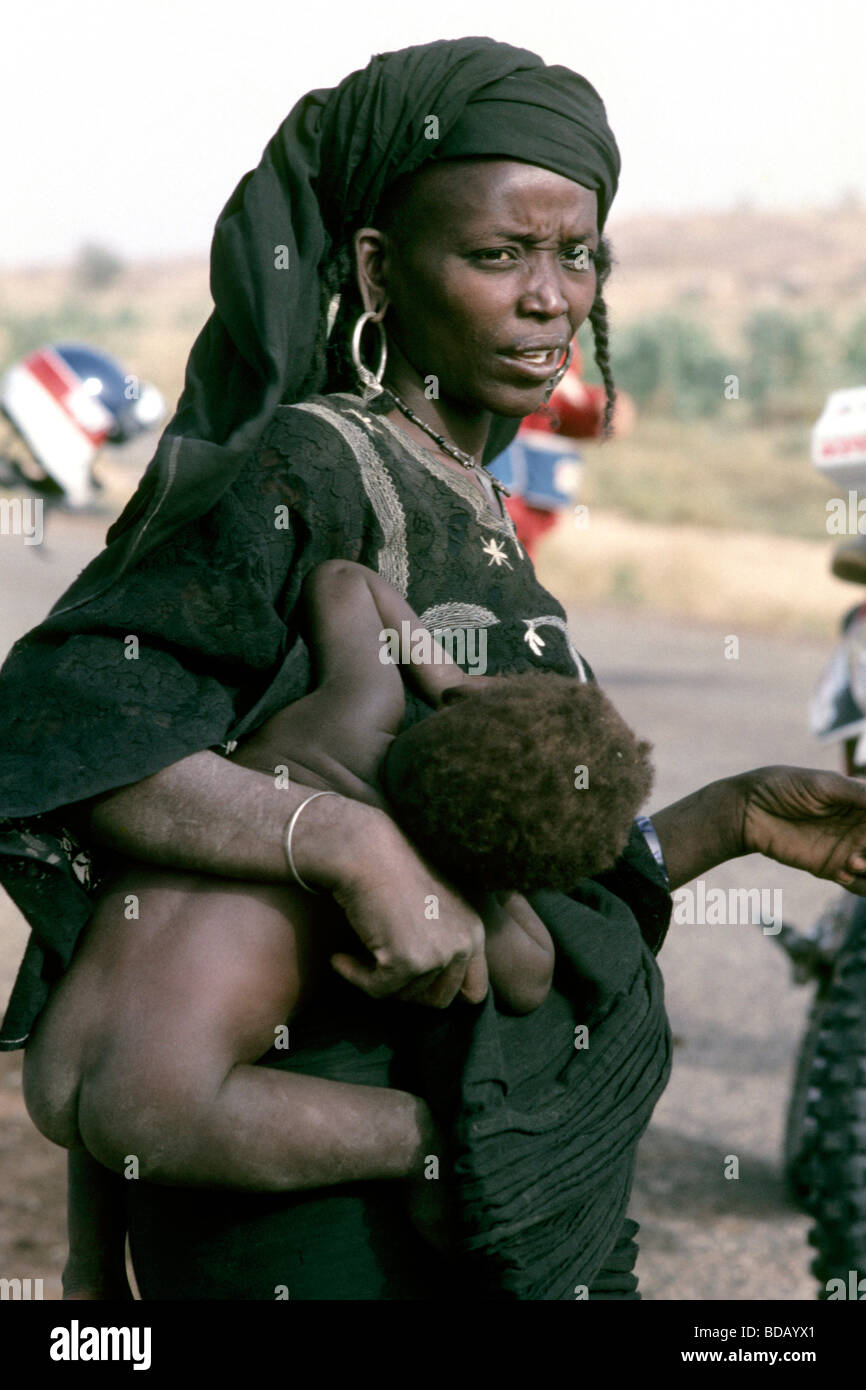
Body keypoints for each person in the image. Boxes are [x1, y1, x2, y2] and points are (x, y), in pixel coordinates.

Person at [4, 36, 866, 1301]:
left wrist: (734, 816)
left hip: (445, 1213)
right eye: (497, 253)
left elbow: (500, 872)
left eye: (576, 254)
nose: (550, 298)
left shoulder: (471, 502)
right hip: (309, 1216)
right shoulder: (313, 466)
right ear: (374, 268)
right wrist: (348, 849)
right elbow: (69, 734)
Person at [26, 555, 654, 1295]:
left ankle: (87, 1267)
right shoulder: (433, 872)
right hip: (173, 1109)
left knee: (141, 1018)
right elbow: (530, 976)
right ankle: (444, 1244)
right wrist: (504, 890)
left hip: (55, 1066)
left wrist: (447, 676)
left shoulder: (348, 717)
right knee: (450, 1145)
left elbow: (343, 581)